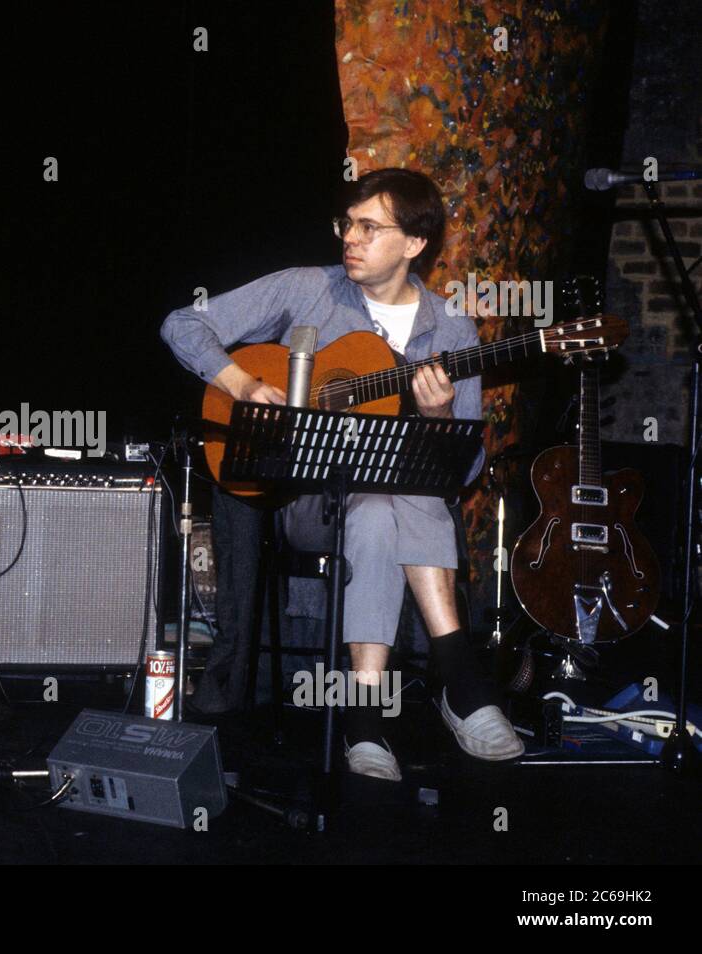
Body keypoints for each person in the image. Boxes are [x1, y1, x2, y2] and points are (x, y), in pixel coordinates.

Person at [161, 167, 523, 780]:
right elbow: (182, 323)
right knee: (388, 503)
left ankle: (363, 720)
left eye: (368, 227)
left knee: (385, 506)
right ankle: (460, 677)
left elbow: (465, 468)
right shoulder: (308, 289)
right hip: (307, 503)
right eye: (346, 224)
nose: (349, 239)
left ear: (414, 243)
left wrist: (436, 417)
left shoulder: (453, 330)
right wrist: (242, 382)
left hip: (389, 511)